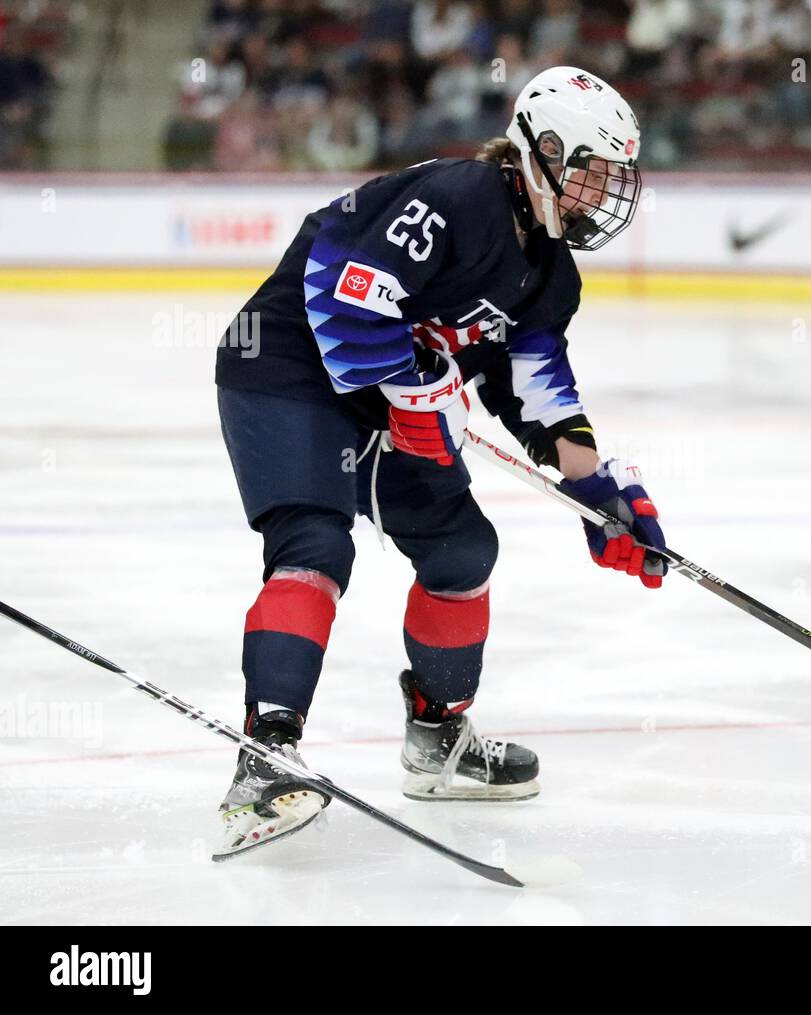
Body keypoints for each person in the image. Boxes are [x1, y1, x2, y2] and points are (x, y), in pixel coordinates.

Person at [212, 66, 663, 858]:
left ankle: (437, 739)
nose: (602, 194)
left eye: (611, 179)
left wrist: (598, 486)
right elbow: (344, 288)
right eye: (591, 172)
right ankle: (266, 756)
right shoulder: (457, 198)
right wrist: (418, 395)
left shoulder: (550, 271)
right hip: (287, 369)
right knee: (315, 547)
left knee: (463, 552)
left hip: (390, 397)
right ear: (544, 151)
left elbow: (536, 384)